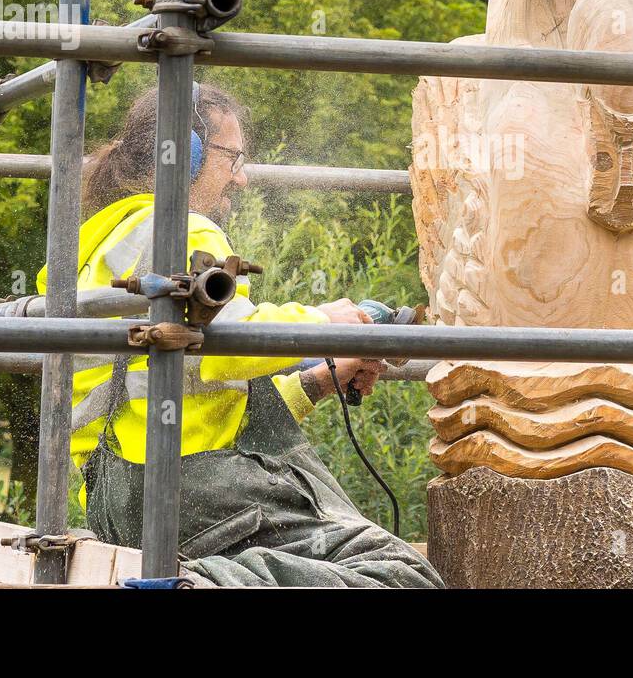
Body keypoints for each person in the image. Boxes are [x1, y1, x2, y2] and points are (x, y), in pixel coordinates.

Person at [35, 82, 442, 588]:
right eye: (233, 158)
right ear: (188, 154)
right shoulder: (181, 230)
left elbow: (189, 384)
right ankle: (210, 585)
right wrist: (326, 324)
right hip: (193, 489)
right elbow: (225, 344)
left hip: (118, 496)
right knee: (401, 575)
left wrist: (315, 381)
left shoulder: (93, 247)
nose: (242, 179)